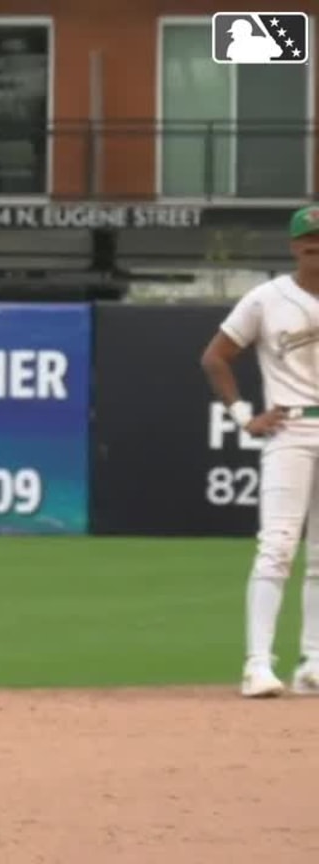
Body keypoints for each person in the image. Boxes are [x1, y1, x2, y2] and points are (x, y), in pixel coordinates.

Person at [201, 202, 319, 698]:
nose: (318, 251)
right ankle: (257, 664)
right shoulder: (267, 298)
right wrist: (243, 415)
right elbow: (215, 357)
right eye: (311, 243)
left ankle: (313, 661)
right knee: (277, 547)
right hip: (288, 428)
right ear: (295, 247)